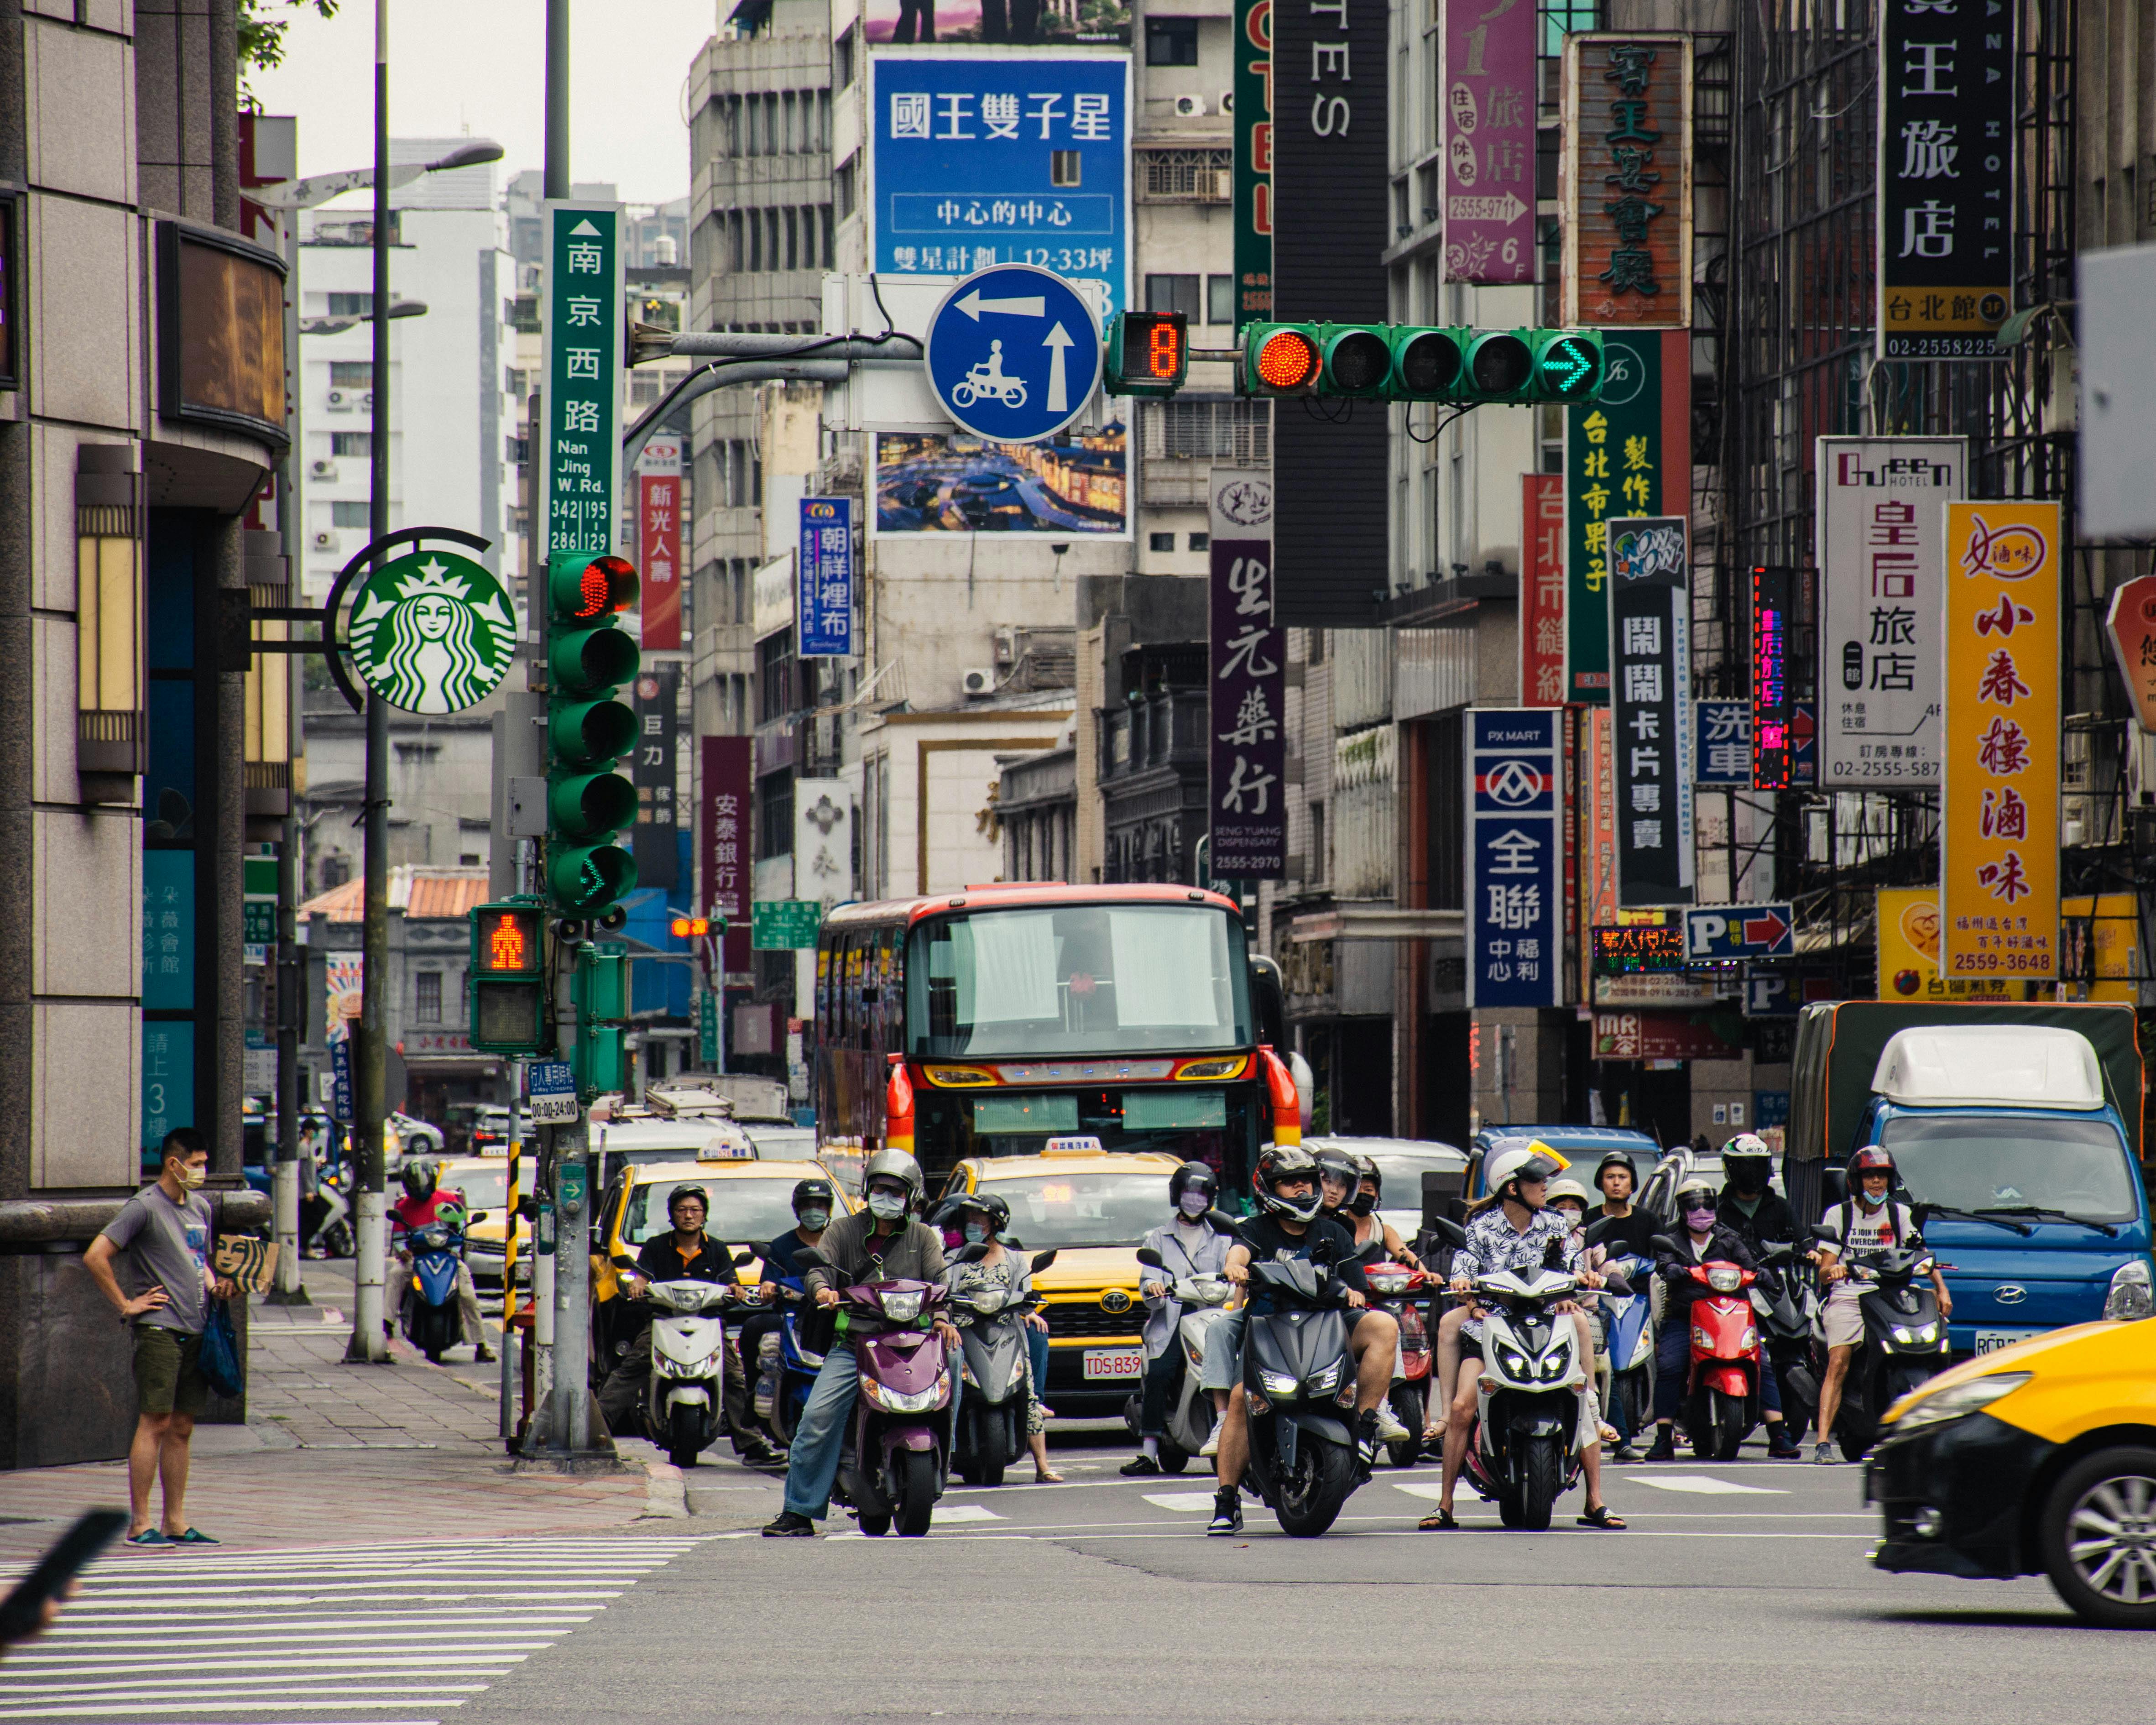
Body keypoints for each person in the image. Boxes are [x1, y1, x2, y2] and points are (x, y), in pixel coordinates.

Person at [1420, 1145, 1624, 1531]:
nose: (1545, 1186)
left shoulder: (1554, 1225)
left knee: (1579, 1398)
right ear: (1512, 1188)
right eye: (1537, 1180)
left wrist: (1583, 1281)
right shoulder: (1480, 1229)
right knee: (1464, 1407)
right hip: (1489, 1328)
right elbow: (1463, 1269)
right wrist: (1465, 1288)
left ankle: (1595, 1501)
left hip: (1547, 1326)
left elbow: (1570, 1269)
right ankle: (1445, 1505)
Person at [1206, 1145, 1399, 1537]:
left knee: (1384, 1325)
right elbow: (1239, 1253)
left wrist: (1353, 1293)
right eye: (1289, 1182)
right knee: (1243, 1400)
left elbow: (1356, 1286)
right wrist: (1234, 1266)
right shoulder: (1254, 1229)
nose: (1301, 1188)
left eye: (1307, 1181)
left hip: (1327, 1325)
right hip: (1269, 1326)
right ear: (1268, 1188)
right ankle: (1226, 1500)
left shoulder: (1334, 1232)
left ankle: (1365, 1424)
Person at [764, 1149, 957, 1536]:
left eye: (896, 1191)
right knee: (817, 1419)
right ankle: (798, 1512)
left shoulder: (923, 1237)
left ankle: (950, 1460)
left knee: (955, 1383)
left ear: (911, 1197)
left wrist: (942, 1318)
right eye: (880, 1188)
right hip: (854, 1344)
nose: (886, 1196)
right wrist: (822, 1291)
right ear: (868, 1190)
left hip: (914, 1344)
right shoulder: (842, 1231)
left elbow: (941, 1284)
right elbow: (819, 1268)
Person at [82, 1127, 237, 1547]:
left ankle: (176, 1521)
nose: (203, 1171)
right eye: (198, 1164)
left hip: (197, 1325)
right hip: (159, 1328)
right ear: (175, 1163)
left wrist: (217, 1283)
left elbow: (198, 1259)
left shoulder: (200, 1208)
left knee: (183, 1425)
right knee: (156, 1419)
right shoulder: (144, 1207)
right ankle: (140, 1522)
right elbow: (96, 1255)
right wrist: (126, 1304)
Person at [1643, 1180, 1801, 1460]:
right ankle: (1664, 1437)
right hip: (1685, 1316)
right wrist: (1674, 1270)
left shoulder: (1729, 1237)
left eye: (1707, 1205)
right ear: (1682, 1210)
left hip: (1731, 1315)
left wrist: (1762, 1274)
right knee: (1670, 1364)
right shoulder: (1671, 1237)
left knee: (1761, 1360)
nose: (1702, 1211)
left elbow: (1749, 1264)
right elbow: (1664, 1262)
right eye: (1694, 1206)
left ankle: (1778, 1434)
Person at [1812, 1147, 1950, 1465]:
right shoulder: (1838, 1214)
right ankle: (1822, 1440)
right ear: (1856, 1181)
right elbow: (1826, 1266)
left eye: (1882, 1176)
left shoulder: (1899, 1215)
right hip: (1850, 1293)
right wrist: (1832, 1271)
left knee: (1931, 1344)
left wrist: (1941, 1291)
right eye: (1869, 1176)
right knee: (1839, 1361)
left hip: (1894, 1291)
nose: (1876, 1182)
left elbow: (1923, 1255)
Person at [1122, 1161, 1235, 1476]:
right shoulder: (1158, 1237)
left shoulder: (1223, 1237)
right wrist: (1154, 1287)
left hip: (1214, 1317)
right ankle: (1148, 1452)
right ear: (1177, 1194)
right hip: (1173, 1318)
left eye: (1202, 1194)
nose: (1195, 1199)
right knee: (1160, 1373)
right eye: (1189, 1192)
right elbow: (1148, 1280)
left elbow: (1233, 1274)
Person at [941, 1192, 1062, 1484]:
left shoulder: (1016, 1260)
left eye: (979, 1219)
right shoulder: (954, 1258)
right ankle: (943, 1460)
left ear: (996, 1223)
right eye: (969, 1219)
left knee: (1028, 1390)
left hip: (1007, 1331)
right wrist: (946, 1322)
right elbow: (942, 1295)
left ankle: (1042, 1464)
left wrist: (1030, 1312)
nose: (973, 1224)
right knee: (945, 1390)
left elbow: (1025, 1293)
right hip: (964, 1332)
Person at [387, 1160, 492, 1363]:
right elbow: (399, 1238)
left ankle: (481, 1344)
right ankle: (387, 1325)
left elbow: (460, 1230)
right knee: (395, 1275)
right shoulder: (404, 1207)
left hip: (448, 1257)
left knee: (468, 1294)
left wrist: (454, 1251)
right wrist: (404, 1252)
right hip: (417, 1259)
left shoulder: (449, 1201)